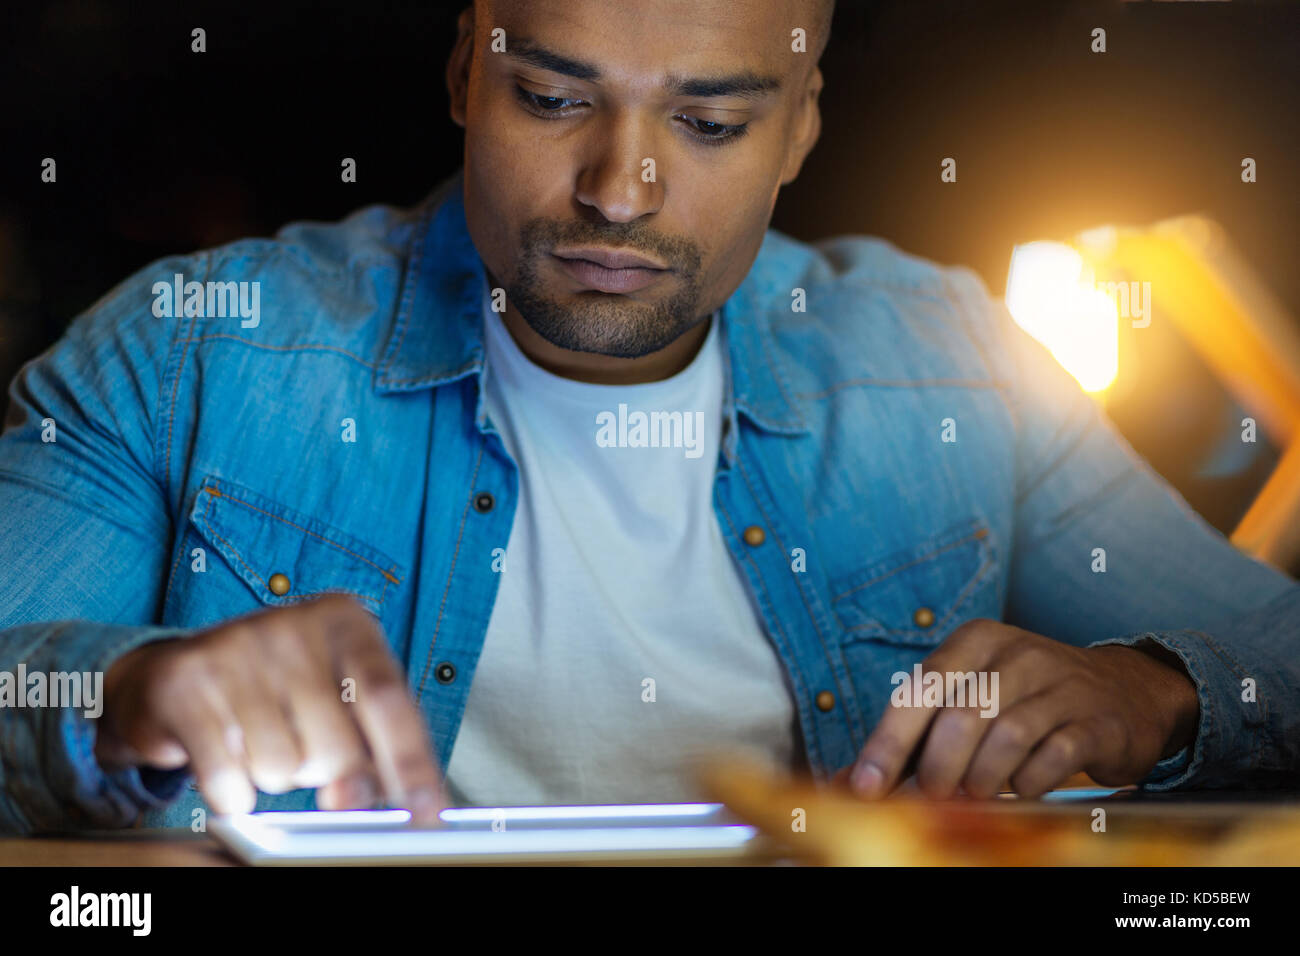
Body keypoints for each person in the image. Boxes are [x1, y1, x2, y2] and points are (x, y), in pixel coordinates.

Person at [1, 0, 1296, 835]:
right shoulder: (191, 353)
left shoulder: (949, 364)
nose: (620, 191)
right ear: (465, 72)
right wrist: (128, 693)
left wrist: (1157, 692)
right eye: (556, 100)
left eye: (712, 120)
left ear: (800, 132)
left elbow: (1274, 654)